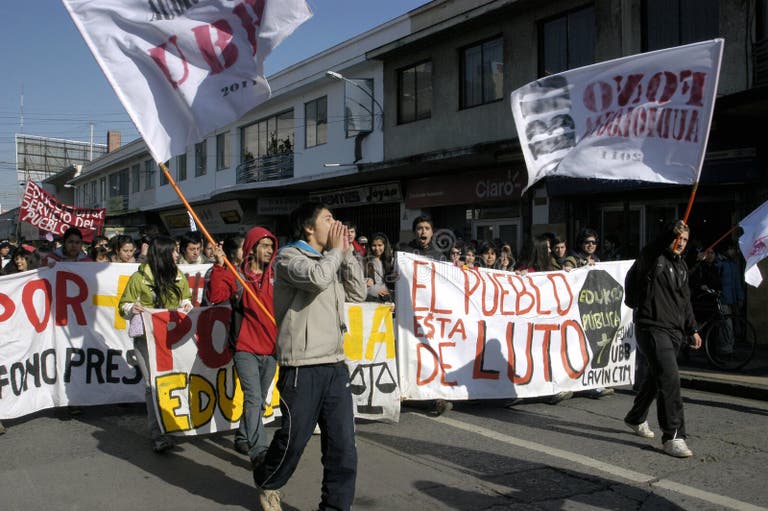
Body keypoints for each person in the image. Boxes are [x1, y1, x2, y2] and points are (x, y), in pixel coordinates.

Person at [253, 202, 365, 511]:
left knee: (343, 446)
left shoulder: (332, 258)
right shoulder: (289, 257)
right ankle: (268, 478)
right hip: (301, 366)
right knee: (293, 441)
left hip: (335, 365)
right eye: (328, 219)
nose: (336, 224)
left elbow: (357, 291)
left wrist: (348, 252)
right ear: (309, 227)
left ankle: (335, 506)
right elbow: (316, 278)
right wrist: (335, 253)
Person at [624, 220, 702, 458]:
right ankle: (673, 436)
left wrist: (693, 329)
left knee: (659, 377)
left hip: (674, 331)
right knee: (670, 378)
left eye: (685, 240)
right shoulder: (652, 259)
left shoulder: (681, 267)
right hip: (651, 328)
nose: (681, 243)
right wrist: (671, 231)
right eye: (678, 238)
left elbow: (684, 301)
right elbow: (651, 249)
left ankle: (636, 417)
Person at [207, 228, 277, 467]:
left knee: (259, 399)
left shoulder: (276, 275)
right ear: (252, 247)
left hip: (272, 347)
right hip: (245, 347)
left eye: (271, 246)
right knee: (254, 396)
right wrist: (219, 266)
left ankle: (242, 436)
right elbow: (216, 296)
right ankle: (259, 450)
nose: (269, 250)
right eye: (264, 245)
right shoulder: (237, 276)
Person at [119, 236, 193, 453]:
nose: (177, 255)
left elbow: (186, 299)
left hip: (171, 340)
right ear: (162, 254)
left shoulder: (178, 276)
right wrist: (131, 309)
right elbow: (123, 305)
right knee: (153, 386)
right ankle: (158, 434)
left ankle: (171, 426)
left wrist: (187, 305)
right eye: (173, 251)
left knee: (171, 382)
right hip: (145, 341)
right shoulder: (138, 278)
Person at [365, 232, 395, 302]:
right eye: (374, 245)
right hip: (372, 299)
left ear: (385, 246)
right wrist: (366, 282)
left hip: (389, 299)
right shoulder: (364, 261)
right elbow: (359, 282)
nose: (377, 248)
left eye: (380, 245)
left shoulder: (391, 261)